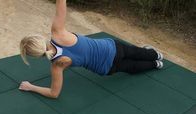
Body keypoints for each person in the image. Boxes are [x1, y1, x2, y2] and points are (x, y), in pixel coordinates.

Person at [19, 0, 163, 98]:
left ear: (37, 55)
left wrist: (31, 87)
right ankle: (156, 55)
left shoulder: (57, 66)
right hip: (111, 48)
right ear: (39, 38)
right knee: (137, 52)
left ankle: (156, 64)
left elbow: (53, 93)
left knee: (130, 67)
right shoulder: (58, 32)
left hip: (106, 68)